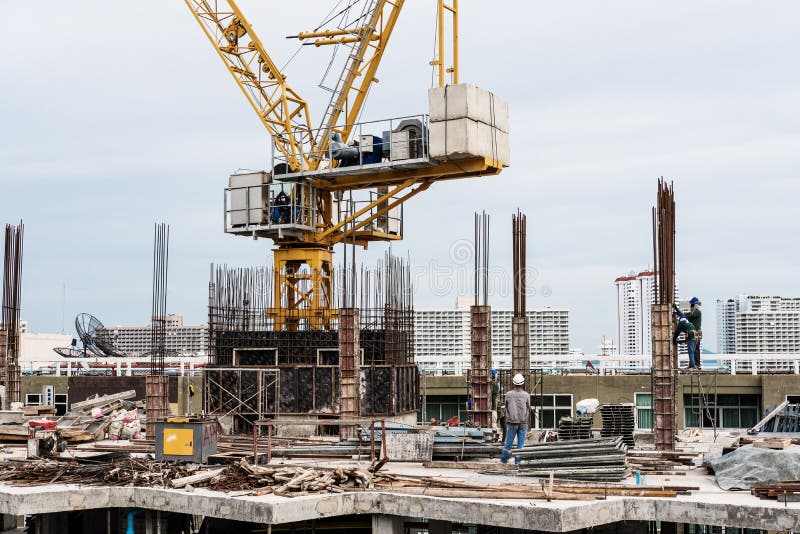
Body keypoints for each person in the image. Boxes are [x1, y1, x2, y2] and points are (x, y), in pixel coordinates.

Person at [501, 373, 530, 464]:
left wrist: (509, 417)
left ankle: (504, 459)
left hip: (512, 422)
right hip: (523, 422)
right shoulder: (526, 395)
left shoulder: (508, 394)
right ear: (522, 383)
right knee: (520, 444)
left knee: (509, 442)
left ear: (513, 383)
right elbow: (528, 408)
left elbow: (505, 407)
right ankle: (517, 461)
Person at [686, 297, 702, 369]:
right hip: (693, 333)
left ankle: (697, 364)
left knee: (696, 350)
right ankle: (692, 364)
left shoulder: (697, 312)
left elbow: (689, 316)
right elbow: (688, 315)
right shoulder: (693, 312)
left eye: (692, 305)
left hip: (696, 333)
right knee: (692, 350)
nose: (691, 306)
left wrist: (684, 315)